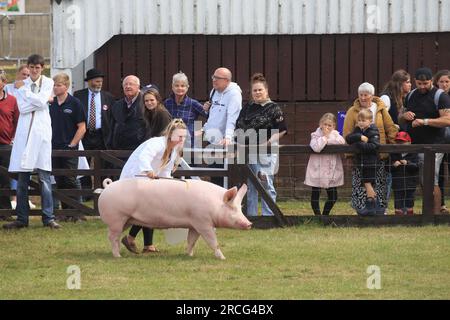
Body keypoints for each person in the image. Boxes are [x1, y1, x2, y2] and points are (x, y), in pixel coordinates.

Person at [3, 54, 61, 230]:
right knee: (22, 180)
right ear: (28, 68)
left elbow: (41, 101)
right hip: (25, 135)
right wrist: (38, 100)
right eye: (32, 67)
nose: (35, 71)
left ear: (42, 68)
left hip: (41, 133)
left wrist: (26, 94)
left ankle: (48, 217)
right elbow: (23, 107)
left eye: (38, 67)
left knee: (44, 178)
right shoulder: (25, 84)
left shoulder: (48, 83)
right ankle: (22, 218)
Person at [120, 118, 187, 254]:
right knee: (148, 210)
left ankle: (140, 242)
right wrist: (148, 170)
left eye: (184, 136)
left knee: (149, 210)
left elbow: (166, 171)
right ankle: (138, 241)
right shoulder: (157, 143)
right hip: (136, 176)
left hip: (150, 180)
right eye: (179, 136)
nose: (182, 139)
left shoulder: (173, 151)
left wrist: (169, 184)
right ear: (171, 134)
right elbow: (144, 157)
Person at [399, 67, 450, 214]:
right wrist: (405, 115)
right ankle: (428, 213)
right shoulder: (410, 95)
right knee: (422, 181)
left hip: (434, 145)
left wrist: (424, 122)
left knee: (431, 180)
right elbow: (401, 115)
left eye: (425, 83)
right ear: (415, 81)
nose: (422, 87)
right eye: (419, 83)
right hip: (414, 145)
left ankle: (435, 215)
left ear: (432, 81)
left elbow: (447, 119)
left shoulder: (441, 96)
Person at [235, 73, 287, 216]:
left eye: (260, 90)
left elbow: (282, 130)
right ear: (251, 93)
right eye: (254, 90)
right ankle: (251, 216)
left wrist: (268, 142)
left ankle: (268, 216)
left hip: (266, 151)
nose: (257, 93)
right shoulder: (248, 107)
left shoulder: (273, 108)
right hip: (248, 151)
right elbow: (238, 125)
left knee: (265, 184)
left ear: (266, 91)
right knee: (251, 185)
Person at [343, 82, 398, 215]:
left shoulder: (381, 109)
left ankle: (378, 211)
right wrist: (349, 155)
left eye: (366, 95)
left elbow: (390, 128)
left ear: (372, 95)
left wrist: (392, 148)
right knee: (360, 184)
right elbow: (347, 133)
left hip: (379, 154)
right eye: (360, 95)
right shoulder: (352, 111)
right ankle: (362, 211)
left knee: (379, 183)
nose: (363, 98)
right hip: (359, 156)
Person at [49, 73, 86, 220]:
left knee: (71, 178)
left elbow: (82, 127)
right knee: (59, 179)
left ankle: (76, 212)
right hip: (53, 148)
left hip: (69, 148)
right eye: (54, 85)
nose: (56, 88)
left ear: (66, 86)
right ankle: (65, 213)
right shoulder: (51, 104)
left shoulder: (75, 103)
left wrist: (72, 145)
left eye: (59, 85)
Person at [73, 68, 115, 198]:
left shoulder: (108, 97)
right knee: (83, 162)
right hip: (85, 134)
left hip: (101, 135)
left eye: (101, 82)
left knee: (103, 164)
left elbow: (111, 118)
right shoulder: (78, 95)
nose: (99, 84)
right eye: (97, 81)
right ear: (89, 81)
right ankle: (85, 193)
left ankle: (103, 191)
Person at [202, 68, 242, 186]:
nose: (214, 80)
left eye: (217, 78)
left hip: (224, 141)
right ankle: (217, 202)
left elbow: (232, 117)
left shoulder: (234, 94)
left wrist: (228, 137)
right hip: (212, 139)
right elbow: (213, 115)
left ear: (227, 80)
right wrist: (204, 128)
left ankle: (229, 202)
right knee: (213, 172)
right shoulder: (213, 92)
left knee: (226, 175)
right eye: (213, 77)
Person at [4, 65, 35, 209]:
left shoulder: (32, 88)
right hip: (9, 136)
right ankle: (11, 198)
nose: (26, 77)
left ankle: (23, 197)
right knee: (8, 169)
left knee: (23, 167)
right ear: (17, 73)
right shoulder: (8, 89)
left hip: (25, 132)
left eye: (28, 75)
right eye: (23, 74)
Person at [304, 113, 345, 216]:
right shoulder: (315, 135)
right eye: (325, 124)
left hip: (331, 169)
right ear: (320, 124)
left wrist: (328, 139)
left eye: (329, 125)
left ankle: (325, 215)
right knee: (315, 195)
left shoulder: (336, 134)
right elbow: (316, 147)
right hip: (317, 169)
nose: (326, 127)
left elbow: (341, 142)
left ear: (334, 126)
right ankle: (318, 217)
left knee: (333, 196)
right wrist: (325, 137)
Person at [346, 109, 381, 214]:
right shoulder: (358, 130)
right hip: (361, 163)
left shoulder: (373, 131)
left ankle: (373, 206)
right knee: (366, 184)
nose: (361, 122)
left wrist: (358, 144)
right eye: (359, 120)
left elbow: (373, 146)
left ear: (370, 121)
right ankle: (373, 207)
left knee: (367, 183)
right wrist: (359, 137)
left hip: (370, 162)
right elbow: (348, 138)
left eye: (363, 120)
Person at [164, 72, 208, 148]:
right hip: (171, 142)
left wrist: (203, 128)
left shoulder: (193, 103)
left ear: (187, 87)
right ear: (172, 87)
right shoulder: (167, 103)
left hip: (189, 142)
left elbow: (210, 115)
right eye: (176, 85)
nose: (179, 88)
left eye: (182, 86)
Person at [107, 75, 146, 151]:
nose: (128, 86)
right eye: (125, 84)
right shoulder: (116, 105)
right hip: (118, 149)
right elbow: (112, 126)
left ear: (138, 86)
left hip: (138, 148)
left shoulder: (145, 103)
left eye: (131, 84)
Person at [0, 70, 19, 213]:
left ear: (4, 83)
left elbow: (17, 121)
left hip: (5, 144)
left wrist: (12, 138)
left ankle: (5, 211)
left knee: (5, 179)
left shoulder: (12, 100)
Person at [390, 131, 419, 216]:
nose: (400, 144)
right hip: (397, 183)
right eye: (398, 142)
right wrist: (393, 165)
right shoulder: (393, 154)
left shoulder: (413, 153)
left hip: (410, 183)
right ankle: (398, 217)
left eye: (403, 142)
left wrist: (408, 163)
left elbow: (417, 167)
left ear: (409, 143)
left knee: (409, 200)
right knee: (398, 200)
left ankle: (409, 216)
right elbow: (387, 168)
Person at [434, 70, 450, 213]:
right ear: (436, 82)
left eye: (447, 82)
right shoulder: (434, 98)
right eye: (441, 81)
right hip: (438, 140)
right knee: (438, 175)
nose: (444, 84)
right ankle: (441, 205)